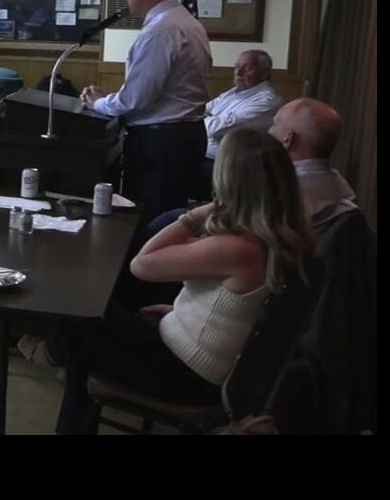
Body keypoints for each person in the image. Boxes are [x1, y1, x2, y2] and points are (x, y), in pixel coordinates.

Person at [22, 129, 313, 434]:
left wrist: (196, 215)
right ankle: (61, 367)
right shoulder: (282, 238)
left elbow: (142, 264)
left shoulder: (237, 247)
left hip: (186, 376)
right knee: (90, 319)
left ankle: (54, 354)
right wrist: (176, 314)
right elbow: (234, 308)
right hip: (193, 359)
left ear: (230, 182)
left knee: (81, 319)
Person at [81, 0, 212, 227]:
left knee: (149, 221)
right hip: (182, 137)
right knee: (168, 218)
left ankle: (142, 269)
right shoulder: (186, 21)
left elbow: (137, 99)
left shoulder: (161, 30)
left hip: (162, 142)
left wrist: (99, 103)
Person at [195, 49, 283, 198]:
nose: (238, 72)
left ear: (264, 73)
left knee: (171, 170)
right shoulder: (233, 93)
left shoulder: (266, 101)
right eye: (236, 67)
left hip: (230, 167)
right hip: (204, 157)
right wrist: (206, 118)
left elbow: (213, 129)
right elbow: (199, 111)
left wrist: (205, 119)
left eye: (248, 68)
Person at [269, 98, 357, 225]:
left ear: (287, 139)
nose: (269, 130)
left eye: (275, 124)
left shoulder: (276, 191)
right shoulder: (345, 192)